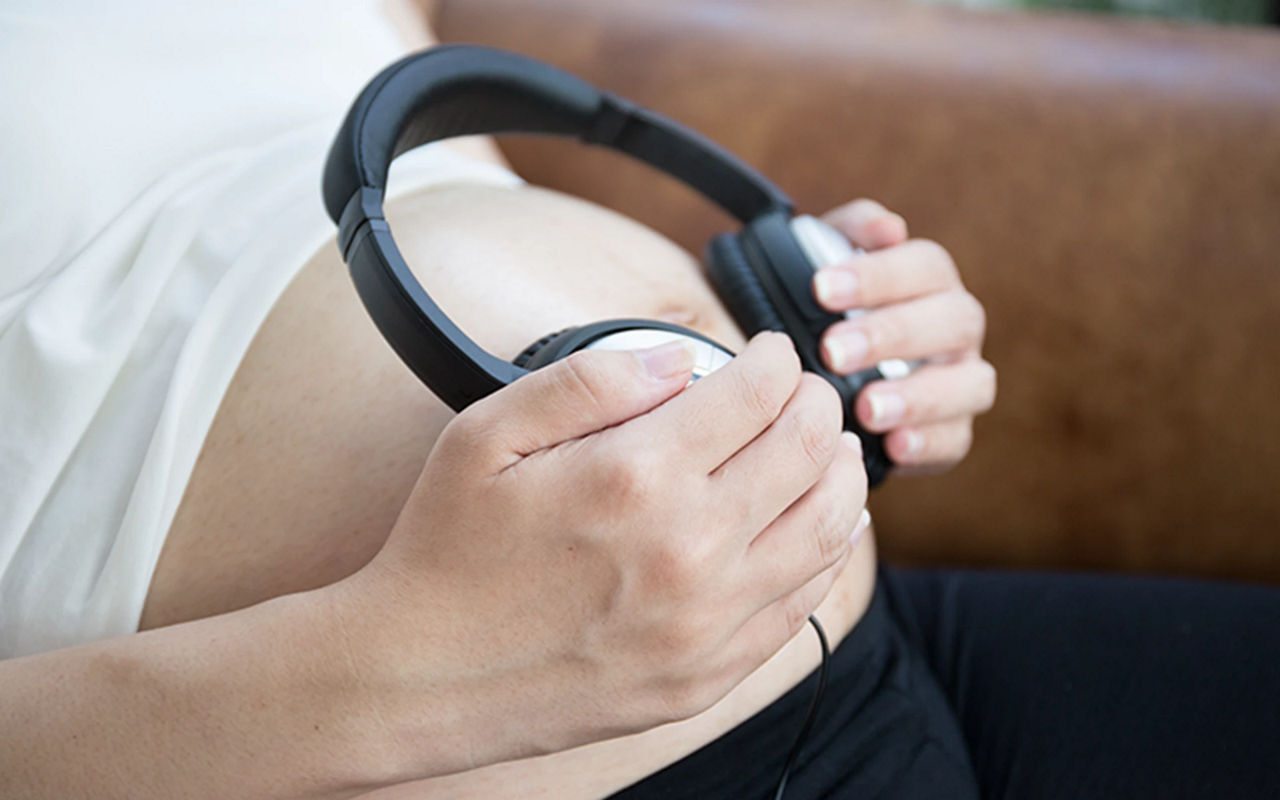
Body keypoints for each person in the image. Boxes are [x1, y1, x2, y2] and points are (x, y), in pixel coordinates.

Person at [1, 2, 1276, 799]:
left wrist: (799, 325)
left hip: (866, 636)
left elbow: (349, 158)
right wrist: (418, 670)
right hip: (470, 748)